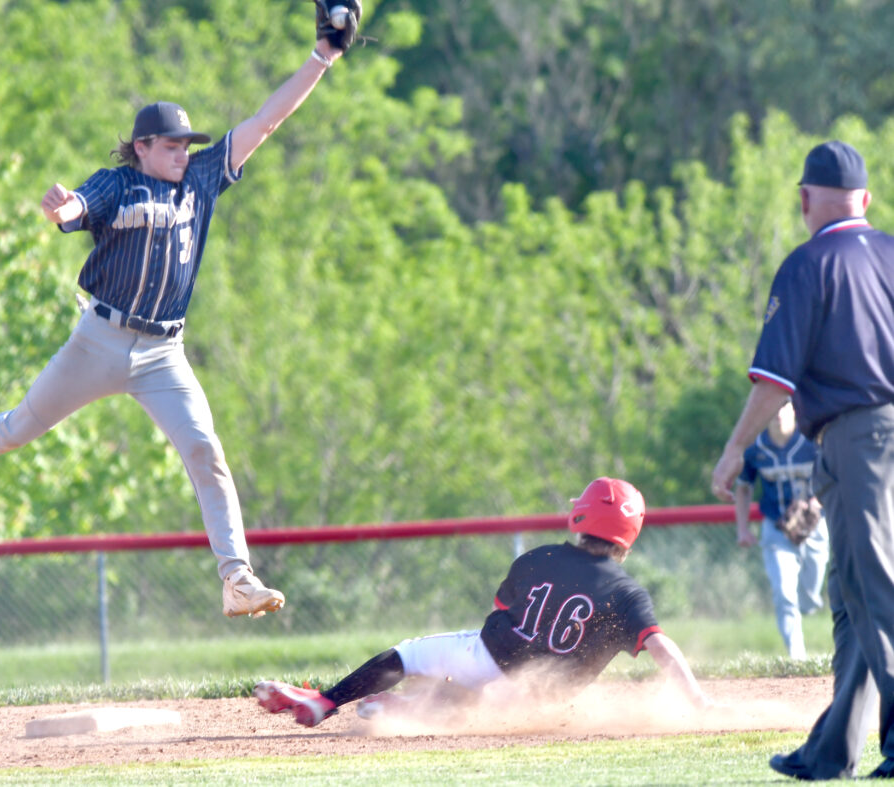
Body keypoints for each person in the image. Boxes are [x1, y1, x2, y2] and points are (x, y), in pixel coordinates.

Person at [0, 19, 363, 619]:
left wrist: (322, 56)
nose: (182, 153)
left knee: (205, 452)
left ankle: (236, 578)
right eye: (171, 145)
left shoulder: (201, 181)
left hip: (164, 355)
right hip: (99, 342)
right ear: (142, 147)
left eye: (186, 145)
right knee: (18, 427)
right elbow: (79, 206)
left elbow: (266, 120)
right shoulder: (118, 184)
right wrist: (64, 209)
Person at [711, 140, 894, 780]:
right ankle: (831, 750)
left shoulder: (810, 263)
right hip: (867, 439)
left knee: (874, 587)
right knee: (851, 593)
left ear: (805, 199)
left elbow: (775, 381)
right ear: (866, 199)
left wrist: (736, 447)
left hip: (862, 437)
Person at [253, 477, 712, 727]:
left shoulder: (540, 557)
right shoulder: (628, 594)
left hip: (491, 657)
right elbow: (663, 649)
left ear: (582, 516)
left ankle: (325, 702)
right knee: (489, 697)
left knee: (413, 655)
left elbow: (500, 609)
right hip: (542, 699)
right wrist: (697, 701)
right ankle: (411, 707)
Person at [734, 401, 829, 660]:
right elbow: (743, 488)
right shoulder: (756, 448)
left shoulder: (811, 443)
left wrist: (816, 503)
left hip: (814, 527)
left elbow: (832, 477)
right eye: (773, 406)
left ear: (794, 409)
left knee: (809, 596)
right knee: (784, 593)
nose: (777, 412)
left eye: (783, 406)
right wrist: (742, 528)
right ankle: (797, 657)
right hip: (776, 528)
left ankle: (808, 603)